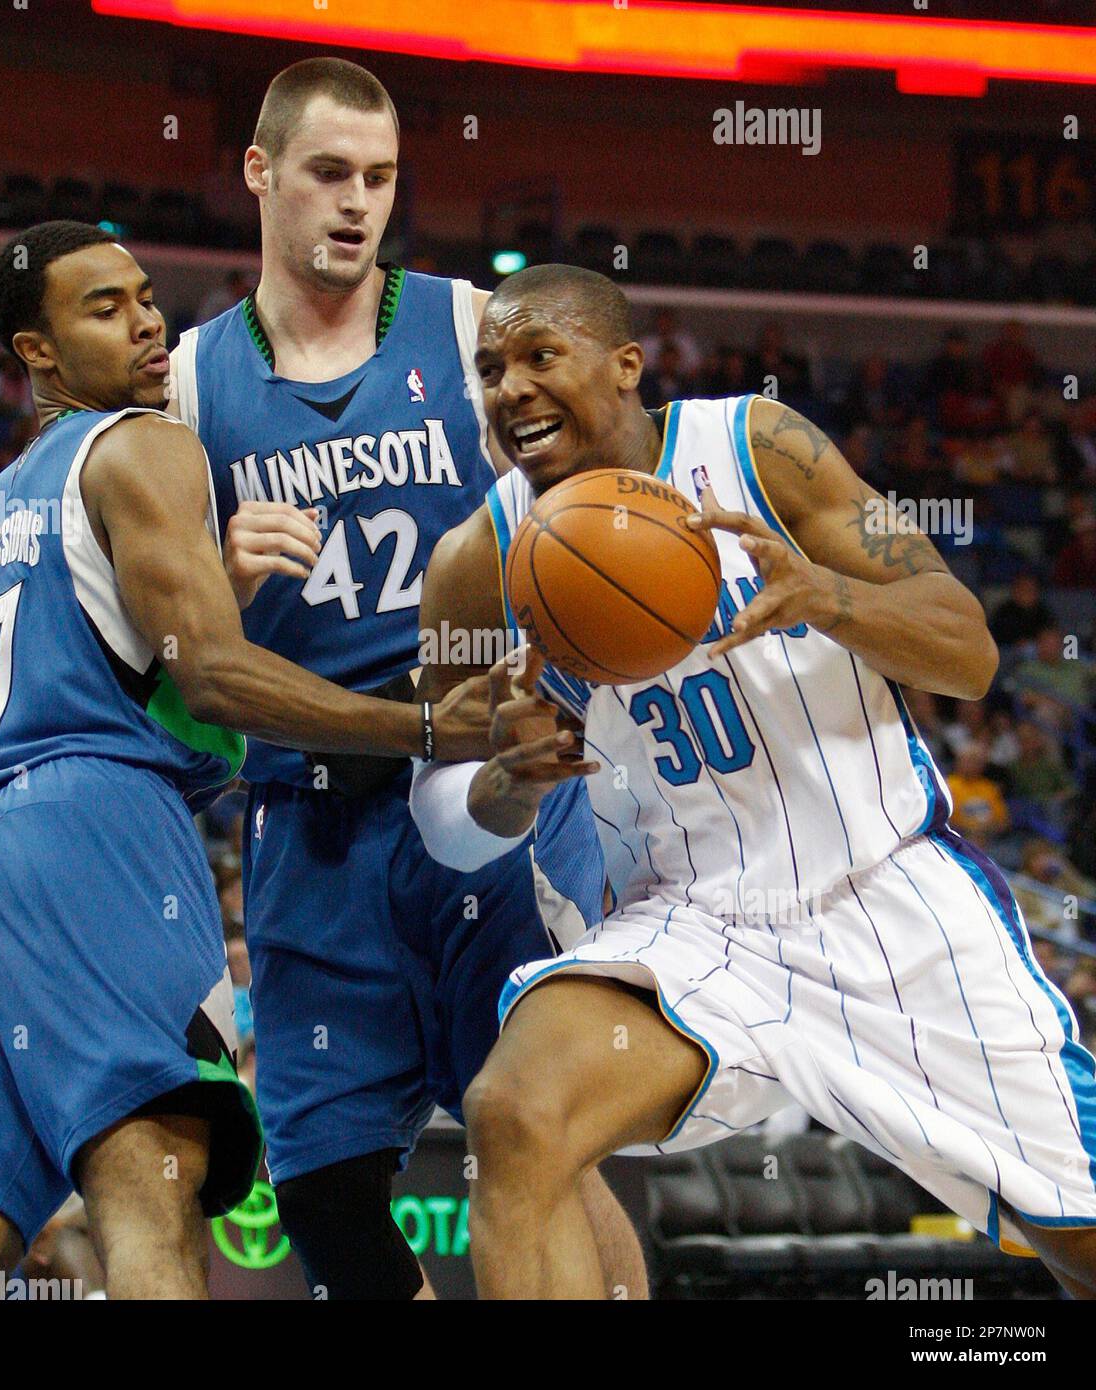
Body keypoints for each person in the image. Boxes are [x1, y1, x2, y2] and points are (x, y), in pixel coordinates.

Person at [410, 263, 1096, 1300]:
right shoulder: (477, 559)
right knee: (515, 1111)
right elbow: (444, 823)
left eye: (540, 356)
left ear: (627, 365)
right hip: (691, 928)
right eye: (491, 367)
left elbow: (970, 653)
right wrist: (507, 784)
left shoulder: (760, 449)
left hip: (885, 903)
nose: (510, 387)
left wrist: (828, 596)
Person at [0, 220, 489, 1301]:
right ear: (36, 353)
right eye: (103, 307)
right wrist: (425, 727)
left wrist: (172, 607)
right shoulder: (148, 445)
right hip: (98, 834)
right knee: (150, 1186)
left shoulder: (2, 501)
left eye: (144, 294)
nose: (146, 320)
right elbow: (217, 683)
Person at [167, 57, 642, 1300]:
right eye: (328, 172)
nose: (357, 202)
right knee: (323, 1188)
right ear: (260, 174)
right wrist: (216, 572)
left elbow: (610, 509)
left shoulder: (474, 327)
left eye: (380, 177)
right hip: (308, 816)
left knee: (543, 1141)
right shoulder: (185, 380)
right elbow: (161, 642)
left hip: (491, 785)